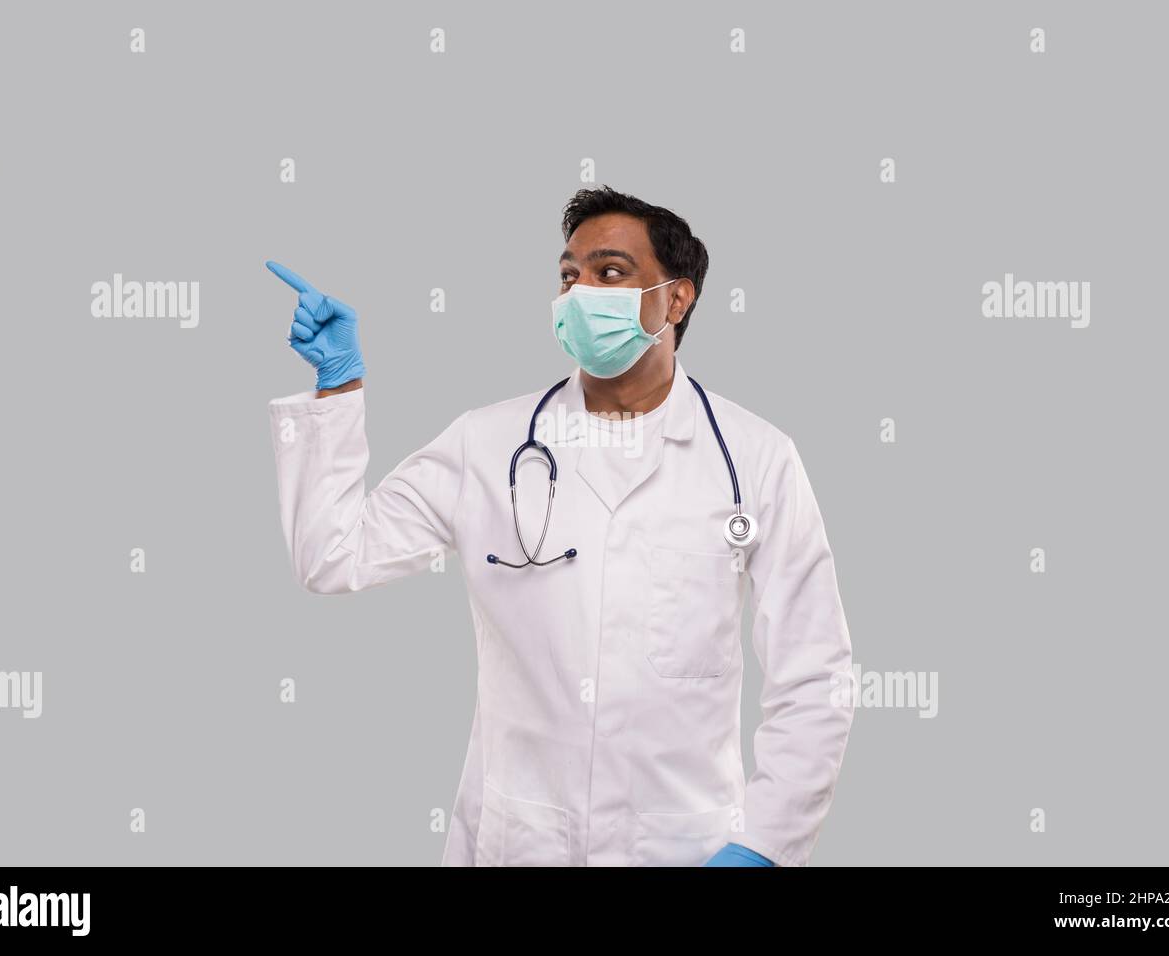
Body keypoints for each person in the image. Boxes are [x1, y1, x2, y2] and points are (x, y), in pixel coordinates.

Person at [265, 185, 854, 867]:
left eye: (610, 273)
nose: (580, 294)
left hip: (684, 847)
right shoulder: (487, 443)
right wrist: (338, 385)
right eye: (569, 275)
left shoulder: (757, 459)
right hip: (519, 841)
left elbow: (814, 674)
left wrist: (764, 846)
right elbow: (332, 557)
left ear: (677, 298)